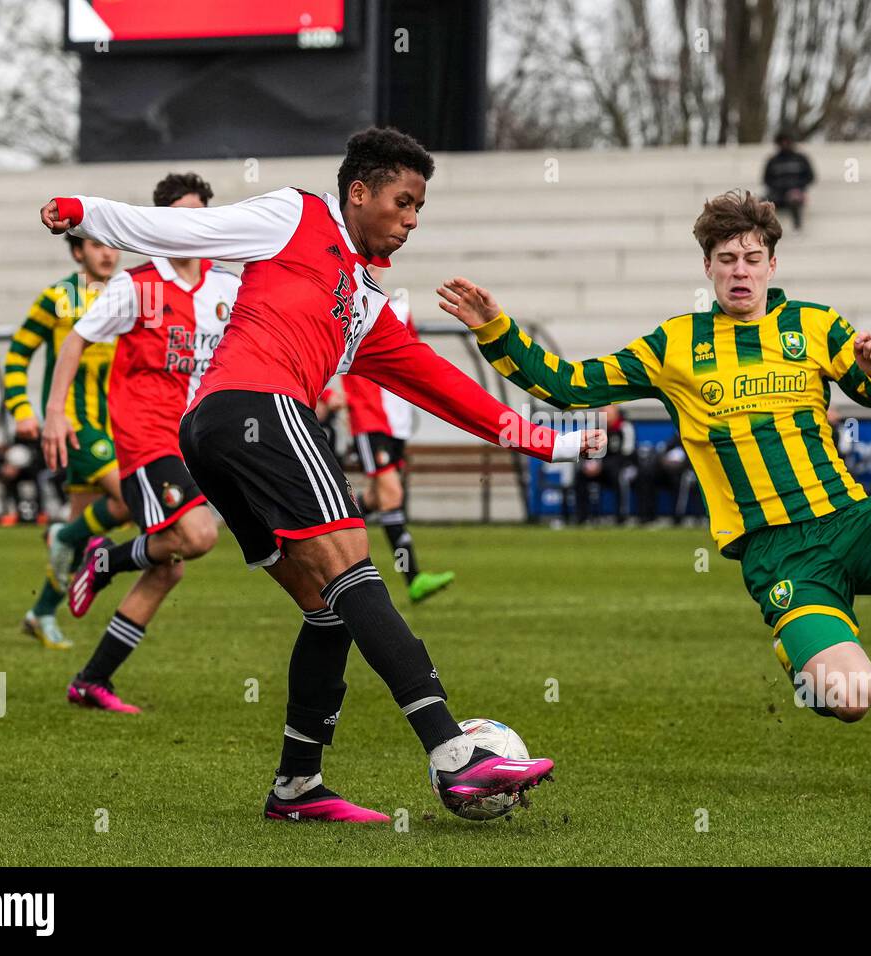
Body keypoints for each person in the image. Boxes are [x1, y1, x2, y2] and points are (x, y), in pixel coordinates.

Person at [441, 189, 871, 785]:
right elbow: (565, 383)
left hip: (852, 520)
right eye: (727, 258)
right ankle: (800, 653)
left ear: (772, 265)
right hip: (780, 555)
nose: (740, 270)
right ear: (707, 267)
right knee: (852, 701)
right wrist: (497, 331)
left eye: (752, 257)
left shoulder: (815, 326)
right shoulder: (675, 344)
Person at [38, 127, 605, 822]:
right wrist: (86, 211)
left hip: (216, 432)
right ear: (359, 192)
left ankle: (297, 787)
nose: (412, 221)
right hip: (255, 404)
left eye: (419, 208)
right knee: (354, 570)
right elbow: (188, 227)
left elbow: (438, 384)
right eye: (403, 202)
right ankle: (456, 754)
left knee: (327, 608)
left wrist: (538, 437)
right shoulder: (297, 214)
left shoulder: (365, 302)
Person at [42, 173, 237, 713]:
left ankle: (91, 681)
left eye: (200, 215)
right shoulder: (139, 286)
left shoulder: (228, 287)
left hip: (201, 440)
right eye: (180, 216)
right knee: (197, 538)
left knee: (168, 566)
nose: (191, 227)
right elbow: (76, 339)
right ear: (161, 223)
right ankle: (104, 560)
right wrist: (54, 413)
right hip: (148, 437)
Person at [3, 233, 131, 649]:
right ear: (78, 252)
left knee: (78, 537)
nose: (108, 253)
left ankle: (40, 612)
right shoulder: (59, 297)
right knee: (130, 499)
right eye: (96, 245)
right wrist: (22, 409)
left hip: (113, 427)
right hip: (75, 428)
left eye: (112, 245)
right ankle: (66, 535)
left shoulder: (129, 296)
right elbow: (18, 353)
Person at [337, 270, 455, 602]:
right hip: (368, 416)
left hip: (397, 420)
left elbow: (414, 356)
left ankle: (319, 524)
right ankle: (413, 578)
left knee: (375, 499)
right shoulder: (343, 303)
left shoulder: (399, 308)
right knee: (391, 494)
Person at [573, 405, 636, 524]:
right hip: (598, 467)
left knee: (620, 477)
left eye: (608, 411)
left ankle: (621, 517)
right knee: (580, 475)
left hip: (620, 466)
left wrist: (603, 465)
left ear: (616, 412)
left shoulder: (625, 427)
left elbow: (627, 453)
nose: (605, 414)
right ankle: (582, 517)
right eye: (603, 411)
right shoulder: (595, 426)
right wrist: (590, 464)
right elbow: (587, 449)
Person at [762, 130, 815, 231]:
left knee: (794, 199)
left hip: (796, 194)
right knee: (761, 202)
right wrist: (779, 187)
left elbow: (810, 177)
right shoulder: (772, 161)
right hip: (777, 194)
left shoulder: (801, 159)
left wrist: (797, 188)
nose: (784, 144)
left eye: (787, 141)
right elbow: (766, 180)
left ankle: (797, 228)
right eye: (782, 141)